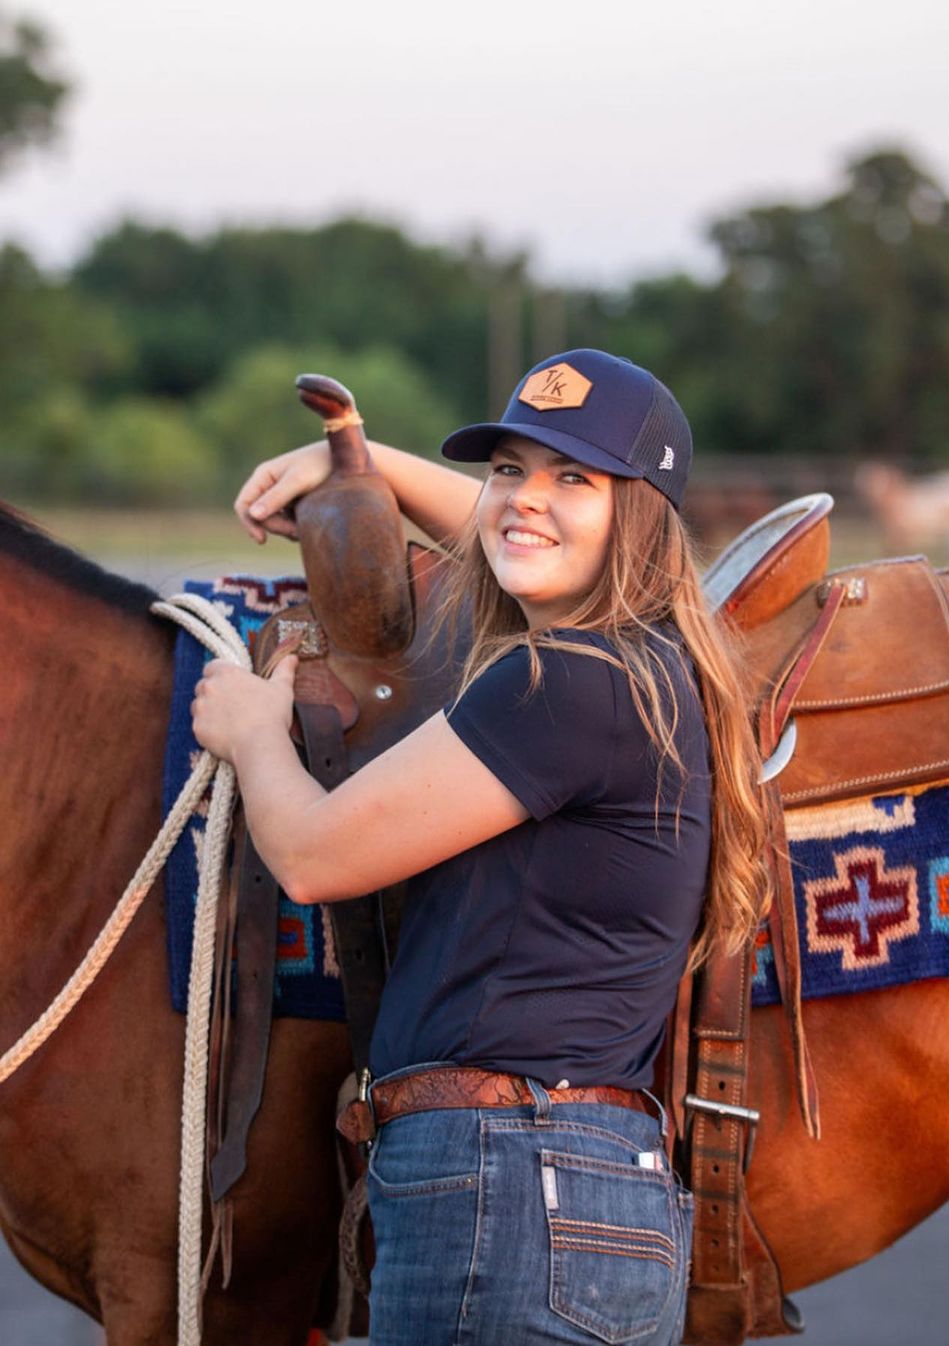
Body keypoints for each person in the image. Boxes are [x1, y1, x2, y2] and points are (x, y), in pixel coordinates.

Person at [193, 348, 770, 1346]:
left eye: (574, 476)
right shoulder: (648, 663)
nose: (525, 498)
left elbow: (315, 856)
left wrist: (252, 732)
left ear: (636, 516)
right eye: (509, 468)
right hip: (567, 1190)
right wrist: (369, 462)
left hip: (506, 1189)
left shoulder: (562, 682)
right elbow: (517, 530)